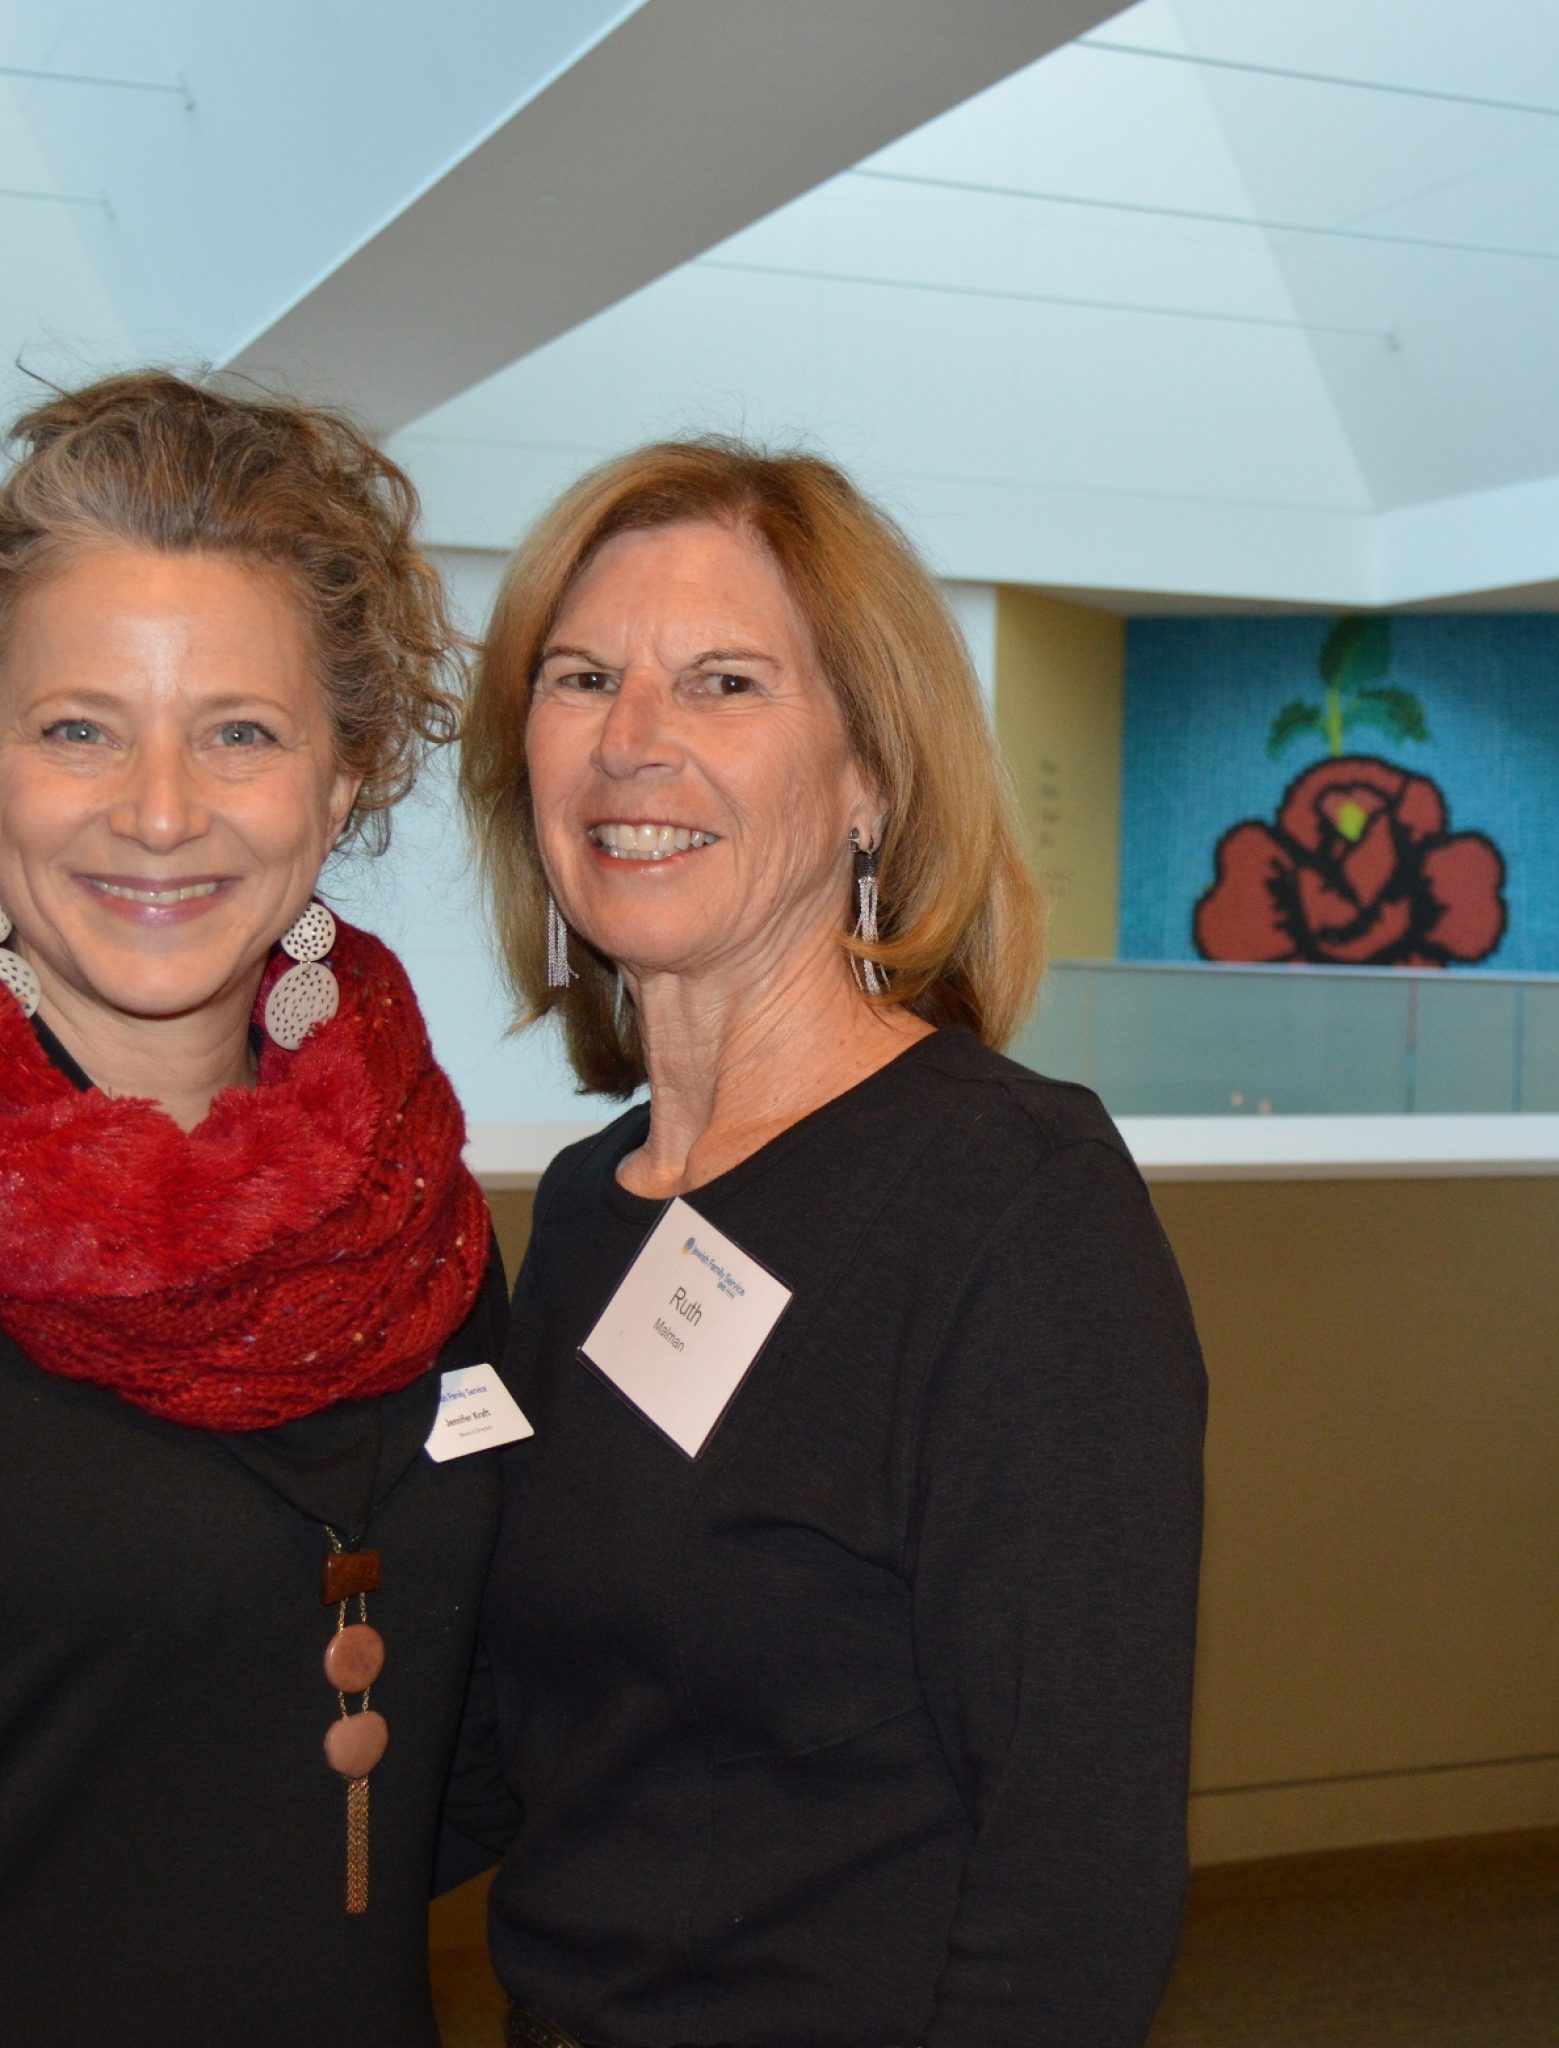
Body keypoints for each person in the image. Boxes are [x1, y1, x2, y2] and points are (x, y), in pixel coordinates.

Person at [454, 439, 1207, 2048]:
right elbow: (550, 1731)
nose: (633, 742)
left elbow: (1080, 1875)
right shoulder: (594, 1206)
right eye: (582, 678)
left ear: (871, 773)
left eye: (724, 682)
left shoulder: (1013, 1204)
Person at [0, 372, 507, 2048]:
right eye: (78, 726)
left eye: (240, 729)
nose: (160, 809)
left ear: (344, 780)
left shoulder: (420, 1219)